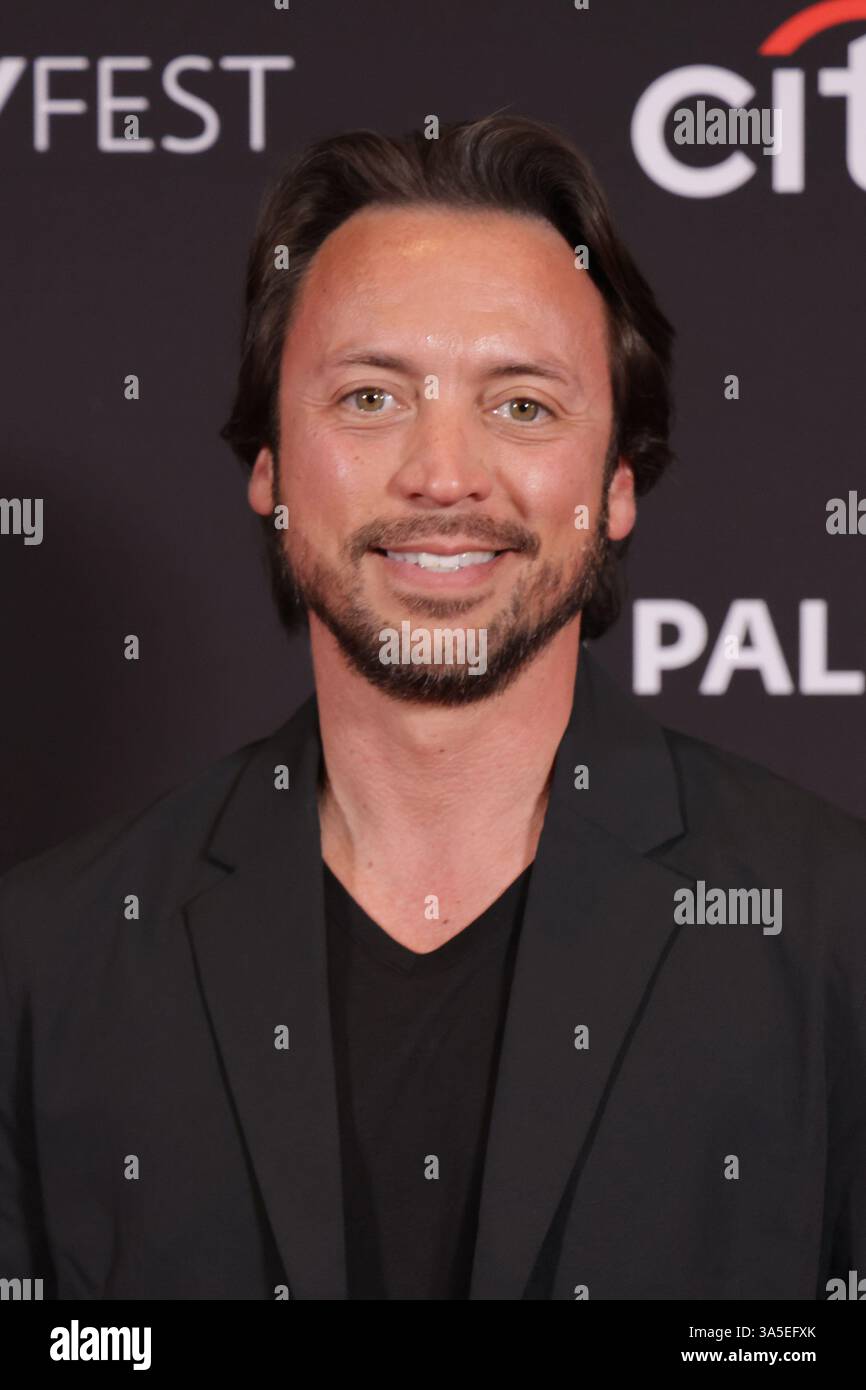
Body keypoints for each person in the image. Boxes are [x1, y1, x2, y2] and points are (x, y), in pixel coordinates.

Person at [1, 115, 864, 1301]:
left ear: (615, 483)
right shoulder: (43, 967)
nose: (442, 473)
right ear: (269, 468)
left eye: (520, 405)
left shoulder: (832, 940)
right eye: (368, 397)